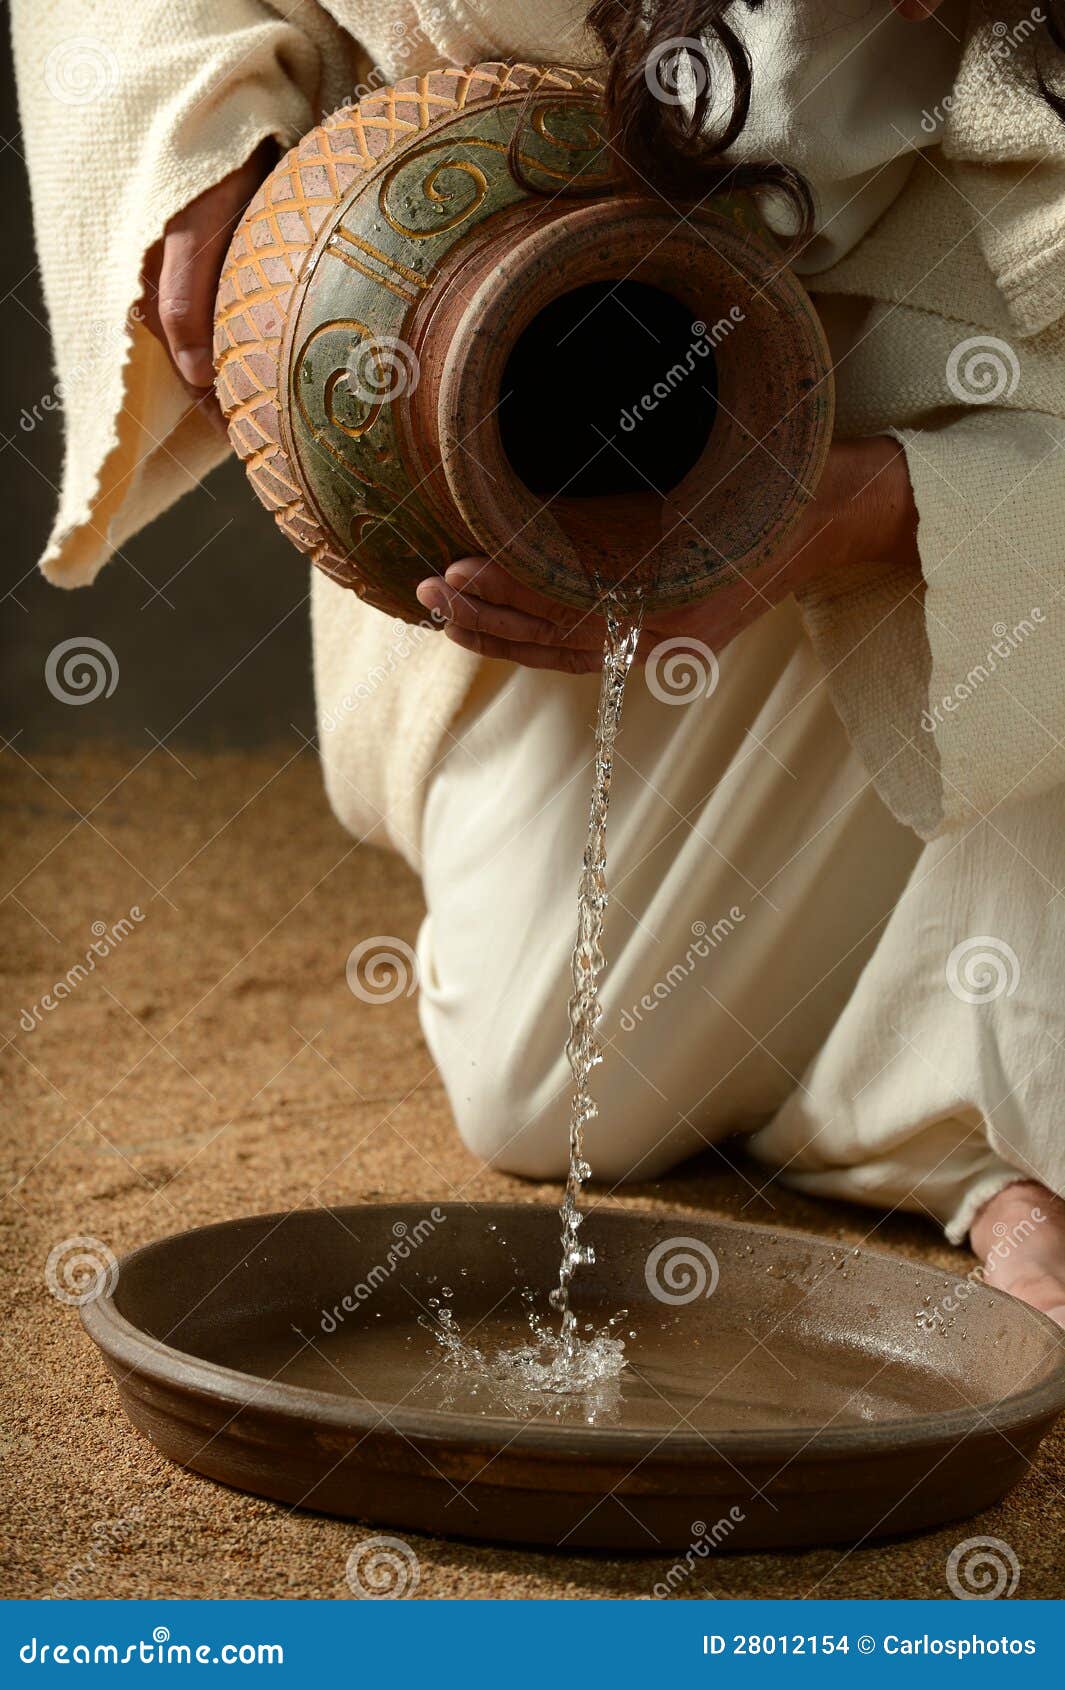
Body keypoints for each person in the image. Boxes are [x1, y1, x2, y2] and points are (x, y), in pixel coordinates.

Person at [15, 0, 1065, 1324]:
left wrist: (863, 513)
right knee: (562, 1076)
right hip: (552, 345)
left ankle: (1008, 1113)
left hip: (1006, 377)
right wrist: (191, 137)